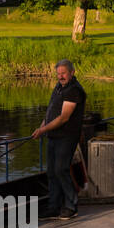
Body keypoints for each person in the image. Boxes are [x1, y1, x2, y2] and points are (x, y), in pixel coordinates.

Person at [33, 59, 87, 219]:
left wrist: (43, 129)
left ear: (72, 72)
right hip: (53, 136)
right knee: (51, 172)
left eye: (63, 73)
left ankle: (71, 206)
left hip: (66, 137)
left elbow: (64, 117)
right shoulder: (59, 87)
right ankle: (54, 207)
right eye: (58, 73)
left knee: (61, 170)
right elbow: (50, 112)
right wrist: (41, 128)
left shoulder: (74, 90)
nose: (60, 76)